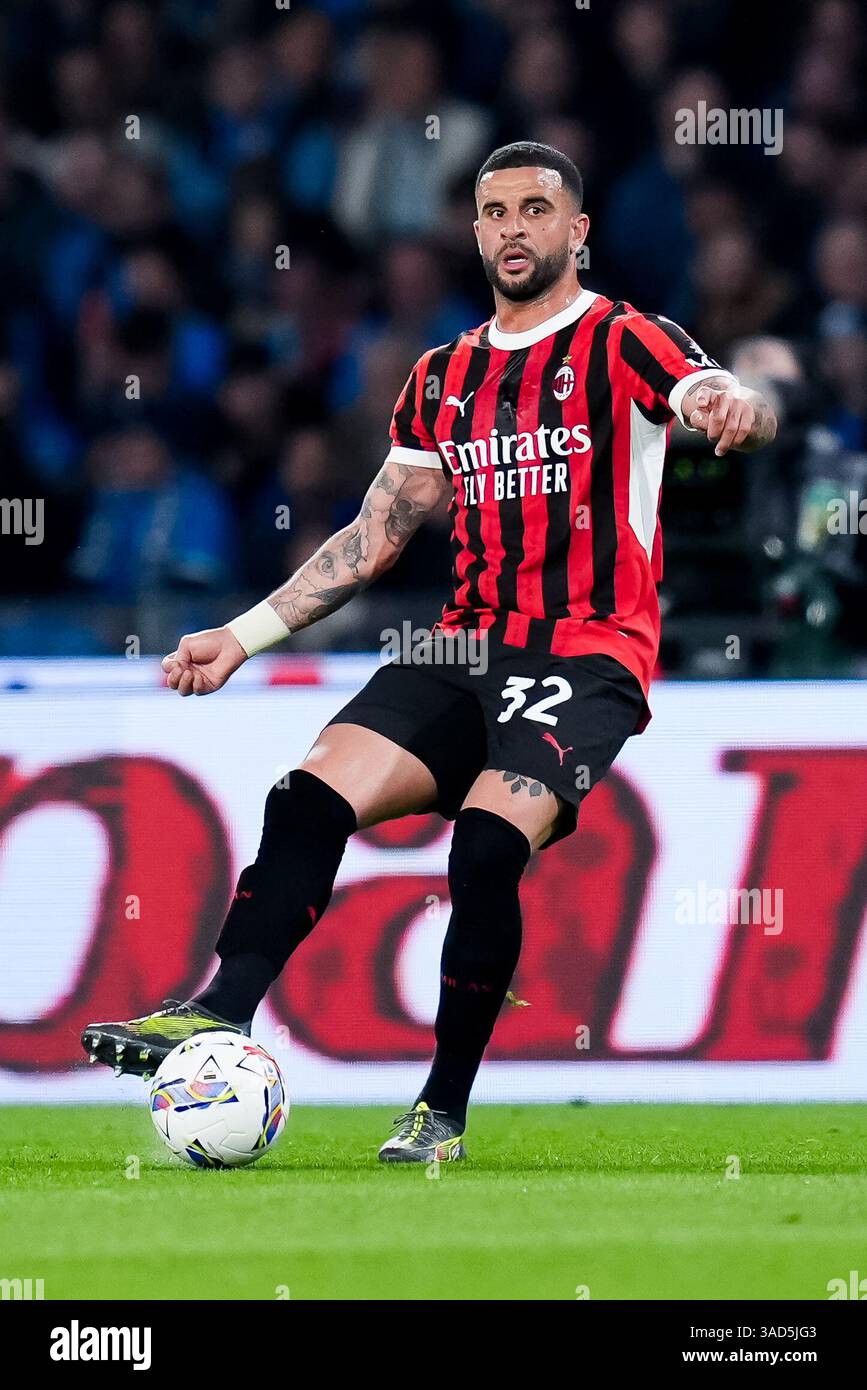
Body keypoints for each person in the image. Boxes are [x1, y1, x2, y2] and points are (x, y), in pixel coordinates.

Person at [82, 142, 777, 1162]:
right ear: (477, 231)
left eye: (536, 209)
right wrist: (241, 634)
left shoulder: (625, 341)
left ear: (576, 231)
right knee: (307, 796)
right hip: (462, 646)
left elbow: (726, 399)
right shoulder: (442, 377)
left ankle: (439, 1109)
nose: (512, 228)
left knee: (487, 848)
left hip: (587, 656)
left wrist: (735, 410)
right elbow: (372, 539)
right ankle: (216, 1008)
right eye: (495, 211)